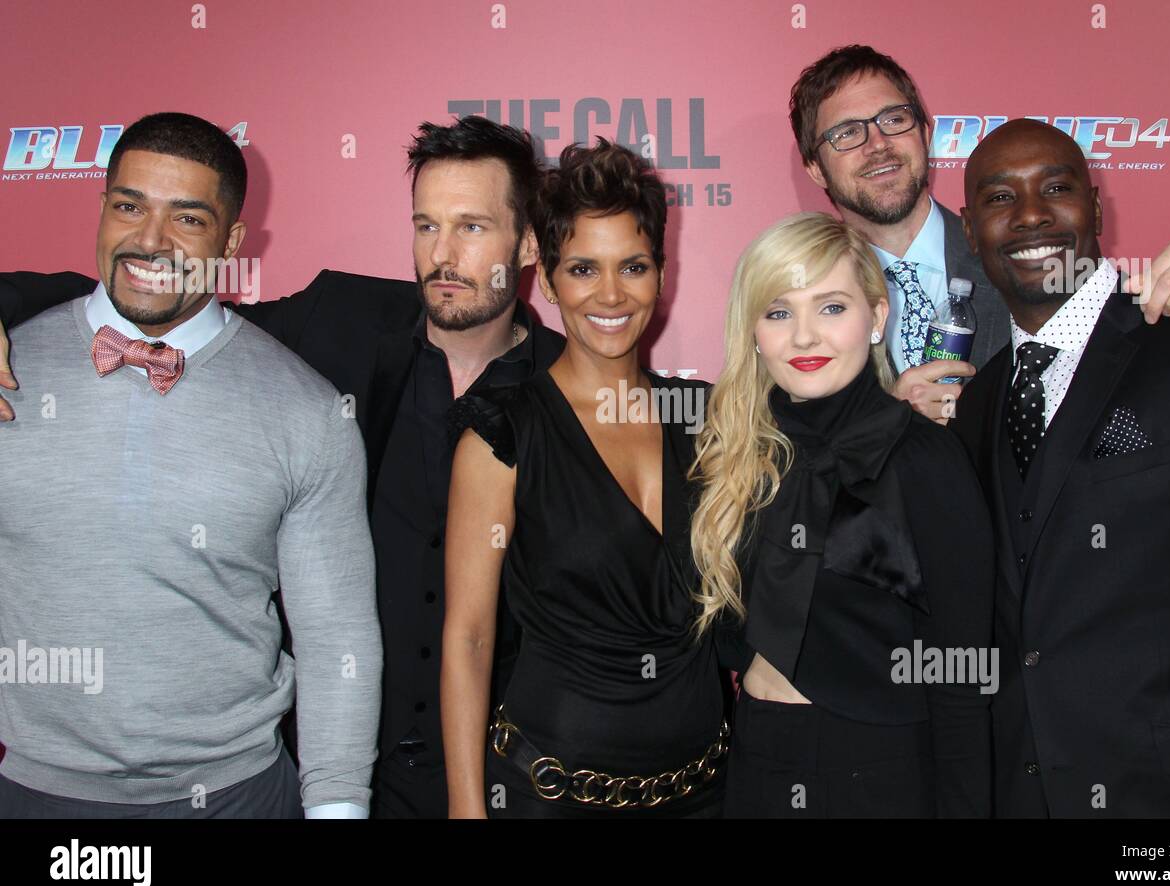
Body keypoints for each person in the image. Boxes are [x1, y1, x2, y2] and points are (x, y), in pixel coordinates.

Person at [0, 116, 567, 818]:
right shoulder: (336, 323)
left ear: (531, 242)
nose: (442, 254)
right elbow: (159, 283)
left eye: (472, 228)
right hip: (338, 768)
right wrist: (7, 299)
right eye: (426, 225)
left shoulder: (569, 397)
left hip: (503, 773)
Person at [0, 112, 381, 818]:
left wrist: (337, 811)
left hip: (238, 797)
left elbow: (336, 643)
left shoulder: (307, 409)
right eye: (128, 206)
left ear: (232, 241)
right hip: (37, 797)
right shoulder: (7, 370)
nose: (150, 240)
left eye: (187, 218)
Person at [949, 118, 1170, 817]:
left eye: (1057, 187)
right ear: (968, 229)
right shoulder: (978, 402)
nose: (1031, 216)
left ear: (1098, 206)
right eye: (999, 198)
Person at [442, 139, 727, 818]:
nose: (610, 294)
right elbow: (469, 636)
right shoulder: (503, 433)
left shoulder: (711, 417)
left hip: (710, 790)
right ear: (546, 279)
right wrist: (464, 808)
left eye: (633, 265)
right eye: (582, 268)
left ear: (662, 270)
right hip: (550, 794)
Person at [689, 212, 993, 817]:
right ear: (752, 330)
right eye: (779, 312)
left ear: (877, 317)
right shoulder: (736, 456)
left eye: (831, 307)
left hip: (878, 768)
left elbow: (964, 675)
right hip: (754, 759)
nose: (804, 338)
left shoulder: (924, 459)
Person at [788, 44, 1170, 424]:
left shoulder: (1020, 250)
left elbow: (1116, 305)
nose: (878, 144)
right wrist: (887, 422)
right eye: (847, 133)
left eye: (894, 119)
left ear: (926, 132)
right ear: (815, 168)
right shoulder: (796, 304)